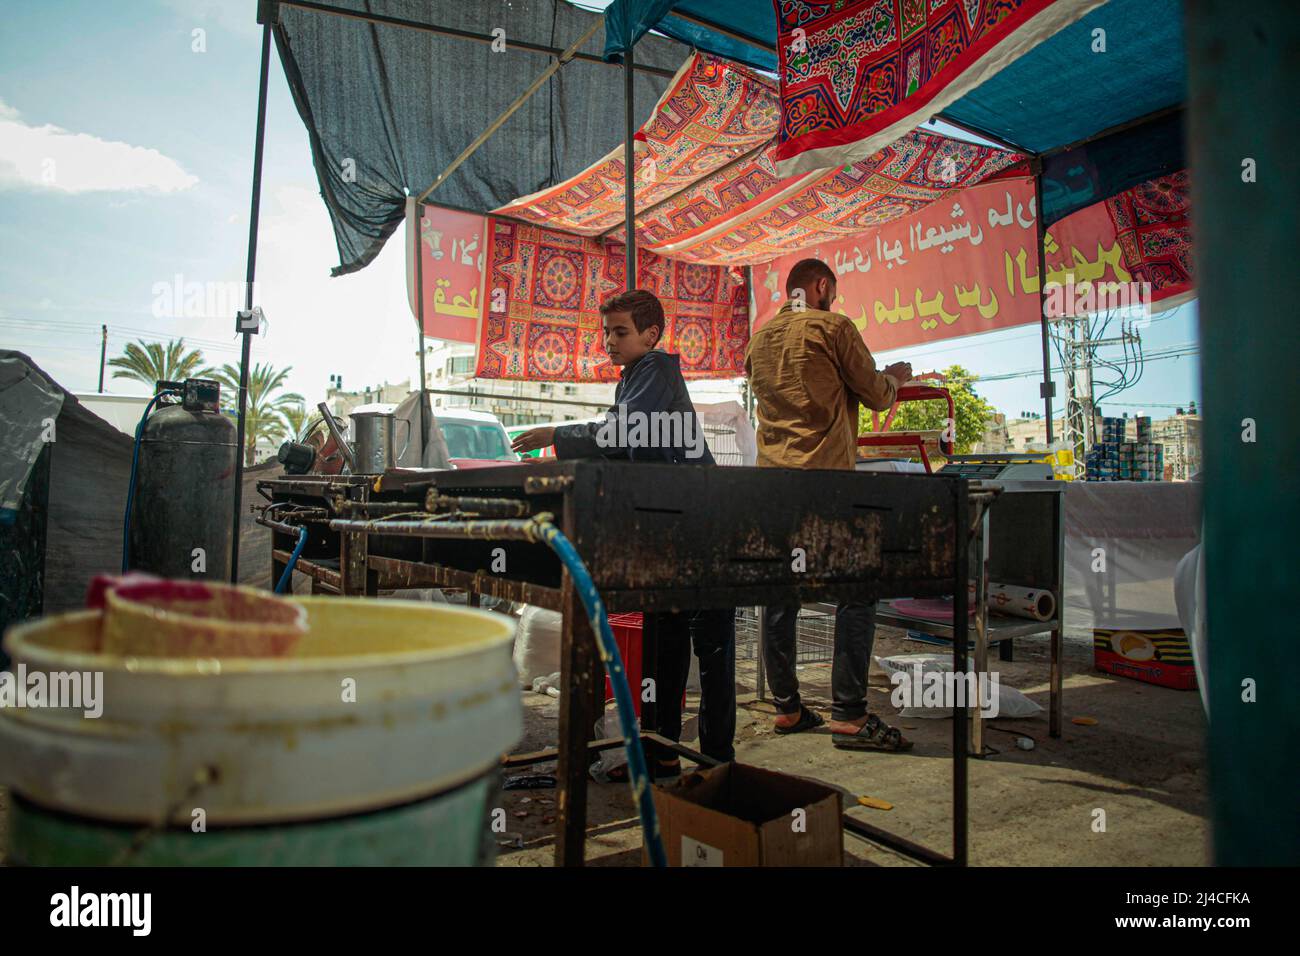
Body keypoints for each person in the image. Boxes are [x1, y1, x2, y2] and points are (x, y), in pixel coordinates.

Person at [512, 290, 736, 777]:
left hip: (703, 523)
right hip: (670, 529)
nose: (609, 342)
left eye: (620, 332)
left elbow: (618, 435)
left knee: (709, 645)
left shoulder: (656, 370)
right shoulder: (635, 379)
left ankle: (718, 761)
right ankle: (660, 751)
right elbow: (617, 442)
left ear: (650, 335)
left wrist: (555, 436)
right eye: (607, 332)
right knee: (665, 641)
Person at [744, 258, 914, 752]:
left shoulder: (758, 341)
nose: (833, 301)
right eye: (832, 293)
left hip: (772, 484)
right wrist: (896, 377)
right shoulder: (834, 326)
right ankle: (850, 716)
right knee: (857, 590)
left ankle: (788, 708)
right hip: (826, 482)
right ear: (821, 286)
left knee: (781, 596)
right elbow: (878, 396)